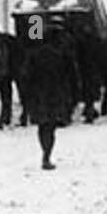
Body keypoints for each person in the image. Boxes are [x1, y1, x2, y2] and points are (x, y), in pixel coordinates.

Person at [22, 14, 79, 170]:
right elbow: (72, 76)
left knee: (42, 126)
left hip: (39, 95)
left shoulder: (34, 54)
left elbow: (26, 76)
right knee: (51, 126)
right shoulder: (63, 54)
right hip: (56, 94)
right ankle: (47, 155)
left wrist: (26, 97)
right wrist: (74, 96)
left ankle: (45, 154)